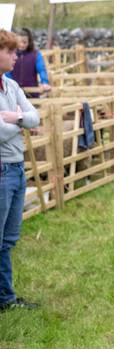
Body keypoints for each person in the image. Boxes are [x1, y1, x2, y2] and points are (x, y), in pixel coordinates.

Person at [0, 29, 41, 310]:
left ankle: (5, 298)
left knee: (8, 239)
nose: (16, 56)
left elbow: (34, 117)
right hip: (2, 171)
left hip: (16, 168)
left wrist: (17, 117)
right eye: (11, 51)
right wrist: (22, 123)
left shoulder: (11, 86)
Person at [11, 28, 50, 96]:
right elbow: (7, 72)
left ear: (29, 42)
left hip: (32, 93)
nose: (22, 45)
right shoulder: (11, 54)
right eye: (19, 42)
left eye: (24, 42)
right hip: (14, 93)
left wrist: (44, 82)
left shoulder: (36, 55)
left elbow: (41, 70)